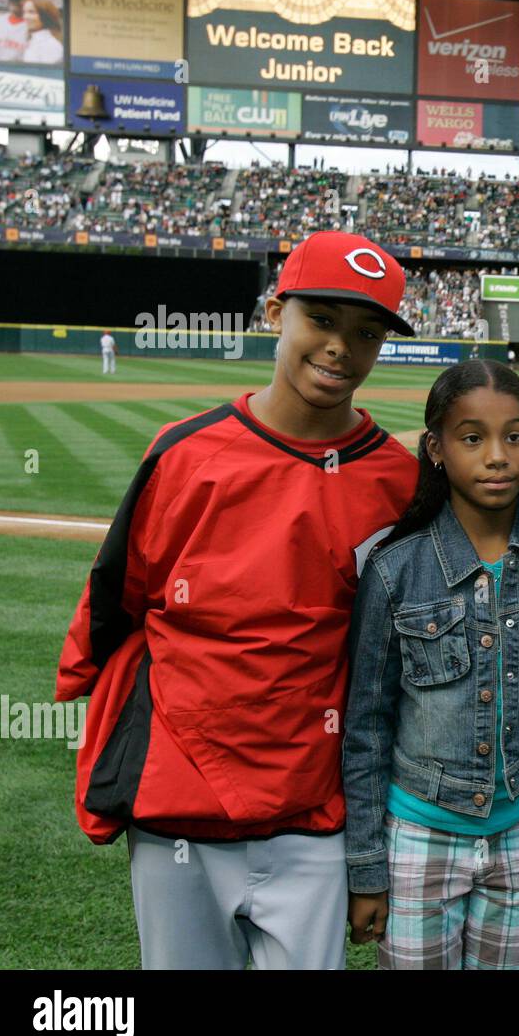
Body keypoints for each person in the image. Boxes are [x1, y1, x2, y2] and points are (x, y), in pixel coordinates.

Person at [54, 232, 421, 969]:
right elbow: (115, 597)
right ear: (274, 311)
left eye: (367, 332)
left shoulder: (397, 480)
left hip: (315, 804)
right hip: (180, 798)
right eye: (320, 318)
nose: (340, 347)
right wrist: (88, 687)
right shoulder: (186, 452)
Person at [342, 361, 519, 970]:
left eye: (515, 436)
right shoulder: (395, 569)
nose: (497, 456)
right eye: (472, 437)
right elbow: (367, 728)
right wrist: (365, 866)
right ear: (435, 447)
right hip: (417, 837)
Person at [20, 0, 62, 65]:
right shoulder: (33, 39)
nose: (25, 16)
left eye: (31, 12)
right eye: (24, 12)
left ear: (45, 15)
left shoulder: (51, 45)